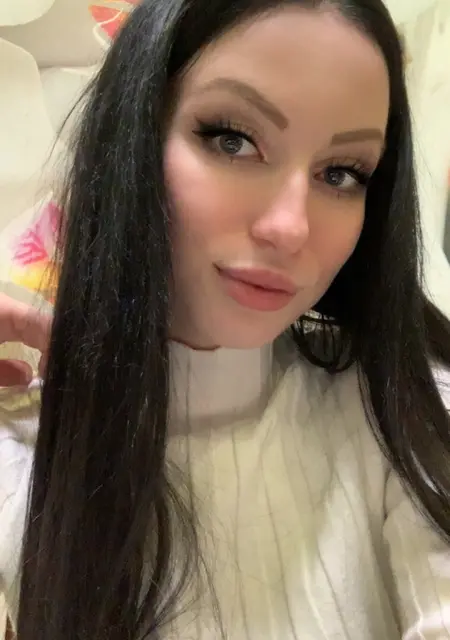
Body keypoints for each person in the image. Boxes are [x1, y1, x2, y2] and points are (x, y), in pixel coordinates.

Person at [1, 0, 450, 638]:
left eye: (342, 173)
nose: (290, 227)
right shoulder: (27, 451)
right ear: (133, 139)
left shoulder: (404, 407)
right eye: (231, 139)